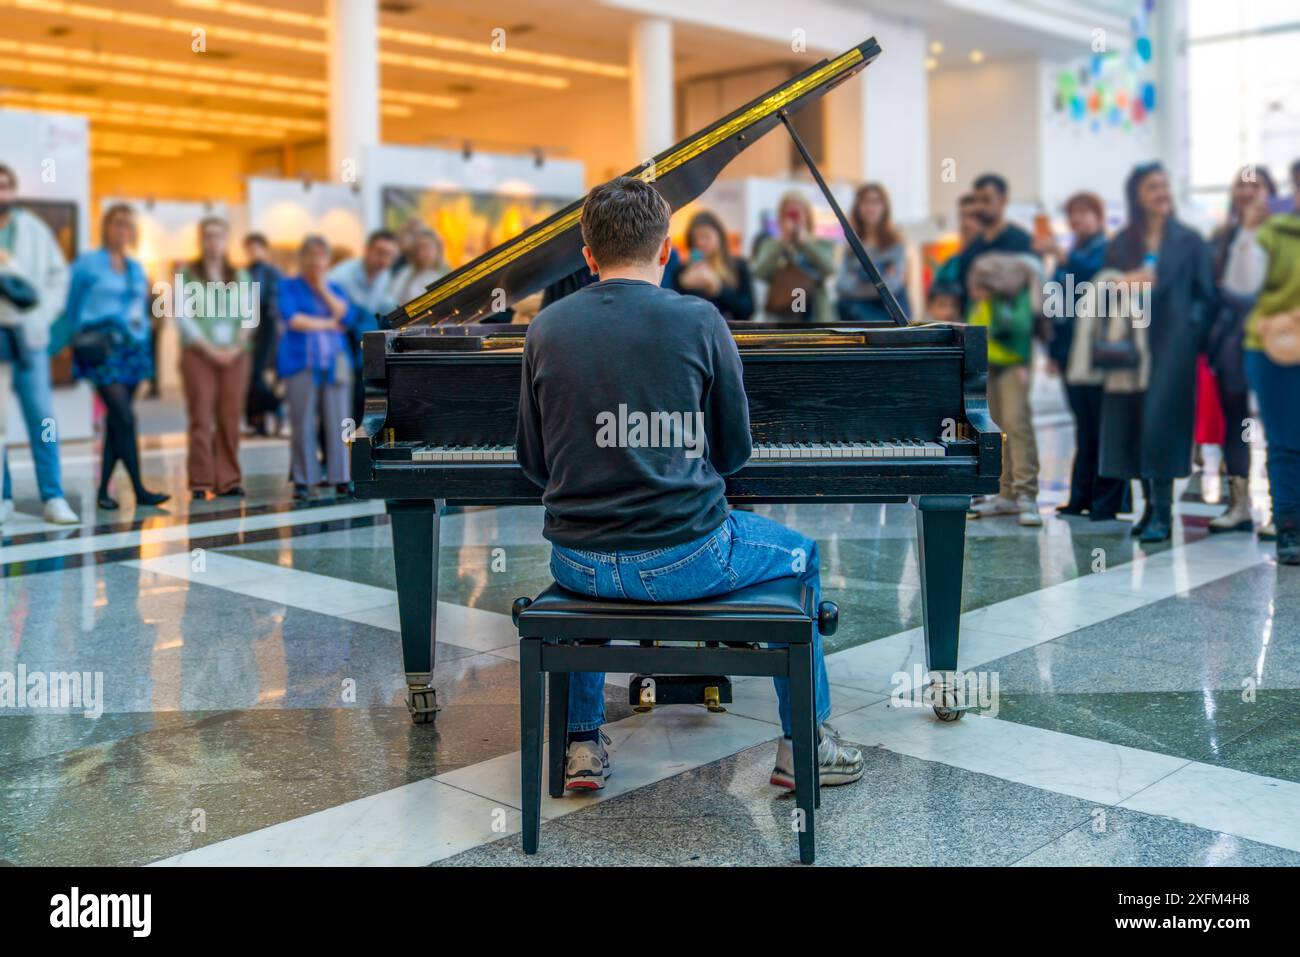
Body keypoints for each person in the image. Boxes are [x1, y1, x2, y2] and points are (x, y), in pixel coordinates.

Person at [516, 176, 863, 792]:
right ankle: (804, 746)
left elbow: (535, 464)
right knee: (801, 555)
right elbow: (733, 455)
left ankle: (580, 747)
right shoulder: (700, 319)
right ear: (667, 249)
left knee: (597, 549)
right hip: (685, 557)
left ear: (587, 254)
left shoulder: (545, 329)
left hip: (578, 564)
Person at [1097, 163, 1218, 544]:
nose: (1161, 193)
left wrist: (1190, 331)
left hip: (1171, 346)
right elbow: (1102, 291)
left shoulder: (1190, 241)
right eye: (1152, 187)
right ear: (1137, 195)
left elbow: (1206, 294)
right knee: (1133, 424)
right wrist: (1122, 284)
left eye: (1164, 185)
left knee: (1161, 425)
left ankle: (1163, 511)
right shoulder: (1121, 242)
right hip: (1130, 345)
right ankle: (1148, 507)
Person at [69, 204, 169, 511]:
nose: (121, 230)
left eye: (127, 225)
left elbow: (144, 305)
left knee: (117, 421)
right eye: (116, 224)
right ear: (106, 228)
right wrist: (71, 342)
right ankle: (138, 488)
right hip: (101, 347)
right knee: (125, 416)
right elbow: (71, 305)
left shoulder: (136, 268)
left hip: (133, 348)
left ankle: (103, 491)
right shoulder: (88, 264)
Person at [1225, 176, 1300, 564]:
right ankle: (1289, 528)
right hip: (1275, 348)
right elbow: (1242, 283)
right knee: (1286, 438)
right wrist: (1249, 232)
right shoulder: (1271, 232)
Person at [1041, 191, 1129, 521]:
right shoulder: (1070, 255)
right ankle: (1080, 496)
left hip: (1100, 353)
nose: (1077, 219)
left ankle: (1108, 501)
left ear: (1098, 216)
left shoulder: (1107, 250)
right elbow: (1055, 303)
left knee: (1105, 426)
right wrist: (1052, 351)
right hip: (1069, 354)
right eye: (1072, 214)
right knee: (1084, 426)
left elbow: (1097, 281)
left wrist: (1063, 259)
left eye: (1083, 213)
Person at [0, 162, 78, 526]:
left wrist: (43, 316)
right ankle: (3, 497)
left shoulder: (32, 229)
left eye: (6, 186)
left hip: (29, 337)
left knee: (43, 418)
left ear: (14, 191)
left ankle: (53, 496)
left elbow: (58, 277)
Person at [1203, 166, 1278, 534]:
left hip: (1277, 341)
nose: (1248, 193)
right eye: (1242, 186)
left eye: (1256, 185)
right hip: (1232, 343)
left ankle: (1284, 508)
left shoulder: (1283, 234)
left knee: (1281, 425)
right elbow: (1216, 287)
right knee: (1238, 423)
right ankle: (1239, 504)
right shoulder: (1223, 236)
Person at [177, 217, 252, 501]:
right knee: (200, 416)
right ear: (201, 240)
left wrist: (236, 347)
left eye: (219, 236)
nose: (213, 242)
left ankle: (228, 479)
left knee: (230, 417)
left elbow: (249, 314)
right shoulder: (186, 274)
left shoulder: (240, 275)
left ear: (226, 240)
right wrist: (209, 350)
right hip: (199, 353)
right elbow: (182, 316)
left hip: (235, 354)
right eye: (208, 236)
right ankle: (200, 479)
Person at [278, 235, 354, 502]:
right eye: (310, 254)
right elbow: (294, 319)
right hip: (301, 362)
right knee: (302, 422)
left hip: (335, 363)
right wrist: (328, 323)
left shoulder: (335, 287)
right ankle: (303, 479)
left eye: (321, 255)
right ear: (301, 258)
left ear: (328, 260)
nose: (315, 260)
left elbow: (346, 316)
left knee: (339, 421)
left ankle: (342, 476)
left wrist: (322, 289)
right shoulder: (288, 286)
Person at [330, 229, 400, 425]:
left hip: (363, 344)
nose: (384, 261)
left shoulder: (384, 276)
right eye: (380, 253)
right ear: (367, 250)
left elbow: (382, 309)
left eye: (389, 256)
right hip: (340, 342)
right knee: (342, 404)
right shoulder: (341, 276)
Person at [955, 173, 1035, 313]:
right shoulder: (972, 248)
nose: (979, 206)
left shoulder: (1022, 241)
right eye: (976, 200)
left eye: (986, 200)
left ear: (1003, 200)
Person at [752, 191, 835, 322]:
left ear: (807, 215)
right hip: (781, 314)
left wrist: (806, 244)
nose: (794, 218)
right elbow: (760, 273)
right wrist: (782, 243)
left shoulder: (821, 244)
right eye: (789, 214)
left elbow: (829, 269)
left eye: (797, 213)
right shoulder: (771, 245)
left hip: (815, 312)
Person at [835, 183, 909, 323]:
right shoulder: (850, 246)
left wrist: (857, 285)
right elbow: (841, 284)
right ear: (858, 207)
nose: (870, 208)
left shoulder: (896, 243)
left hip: (889, 318)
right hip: (856, 320)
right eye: (865, 202)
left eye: (876, 202)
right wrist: (879, 285)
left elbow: (894, 284)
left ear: (884, 207)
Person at [670, 210, 754, 321]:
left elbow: (747, 310)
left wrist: (719, 290)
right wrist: (682, 284)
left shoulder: (739, 267)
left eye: (706, 236)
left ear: (719, 236)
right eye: (696, 238)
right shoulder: (682, 271)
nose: (701, 242)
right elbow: (673, 311)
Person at [243, 232, 282, 437]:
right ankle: (257, 420)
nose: (252, 252)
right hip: (247, 326)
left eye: (256, 247)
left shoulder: (272, 272)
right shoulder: (245, 271)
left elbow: (276, 301)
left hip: (267, 325)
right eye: (249, 248)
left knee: (255, 374)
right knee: (248, 375)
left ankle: (276, 408)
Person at [389, 227, 449, 306]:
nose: (422, 253)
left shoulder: (445, 274)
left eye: (427, 247)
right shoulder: (406, 273)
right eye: (418, 248)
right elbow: (391, 300)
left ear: (437, 249)